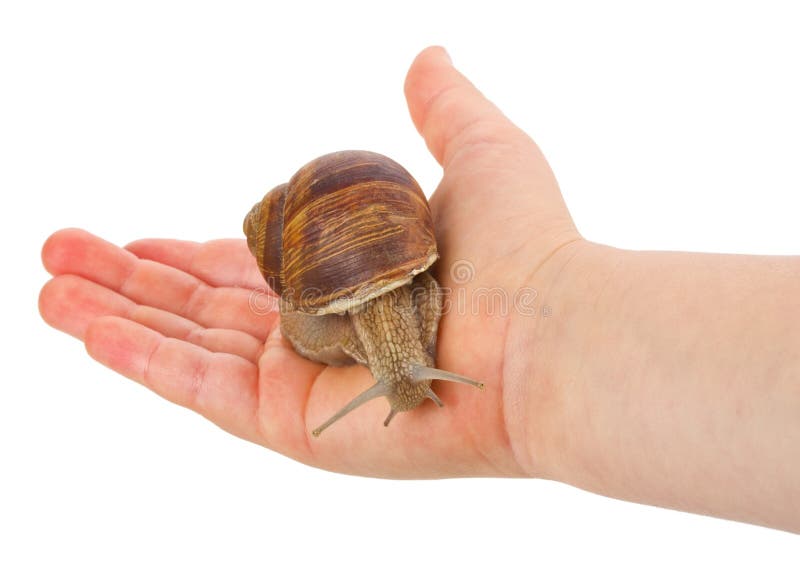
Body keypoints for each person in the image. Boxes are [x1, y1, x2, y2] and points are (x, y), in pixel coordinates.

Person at [38, 46, 799, 532]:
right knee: (377, 320)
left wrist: (547, 316)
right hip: (345, 280)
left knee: (381, 325)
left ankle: (394, 363)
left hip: (366, 282)